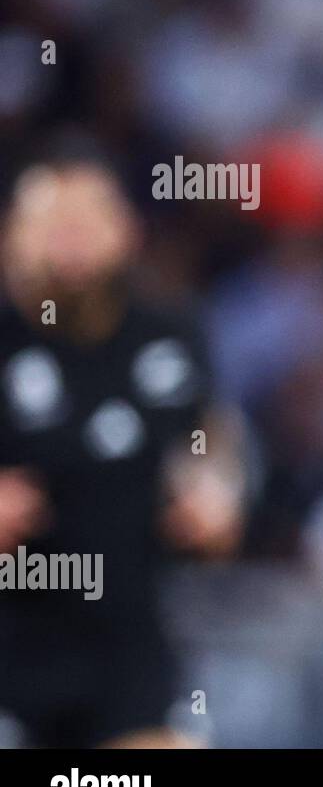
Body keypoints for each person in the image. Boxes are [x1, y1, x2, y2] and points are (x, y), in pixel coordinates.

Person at [0, 159, 243, 748]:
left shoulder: (169, 332)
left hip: (130, 635)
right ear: (13, 236)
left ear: (126, 229)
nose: (71, 238)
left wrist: (219, 491)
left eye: (87, 219)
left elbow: (210, 442)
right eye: (52, 222)